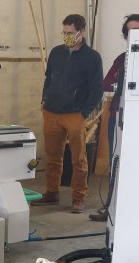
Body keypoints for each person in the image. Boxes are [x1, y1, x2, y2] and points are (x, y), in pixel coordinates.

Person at [30, 14, 103, 214]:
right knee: (53, 156)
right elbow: (49, 78)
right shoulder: (56, 53)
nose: (66, 36)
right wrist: (44, 100)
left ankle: (78, 197)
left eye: (70, 33)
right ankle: (51, 193)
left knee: (78, 159)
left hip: (74, 114)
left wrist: (84, 113)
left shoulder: (93, 58)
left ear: (81, 32)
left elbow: (97, 89)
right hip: (52, 112)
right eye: (64, 32)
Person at [89, 14, 139, 222]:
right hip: (120, 116)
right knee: (118, 162)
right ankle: (112, 208)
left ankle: (138, 207)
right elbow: (106, 84)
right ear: (126, 36)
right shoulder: (123, 58)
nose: (138, 33)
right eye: (132, 31)